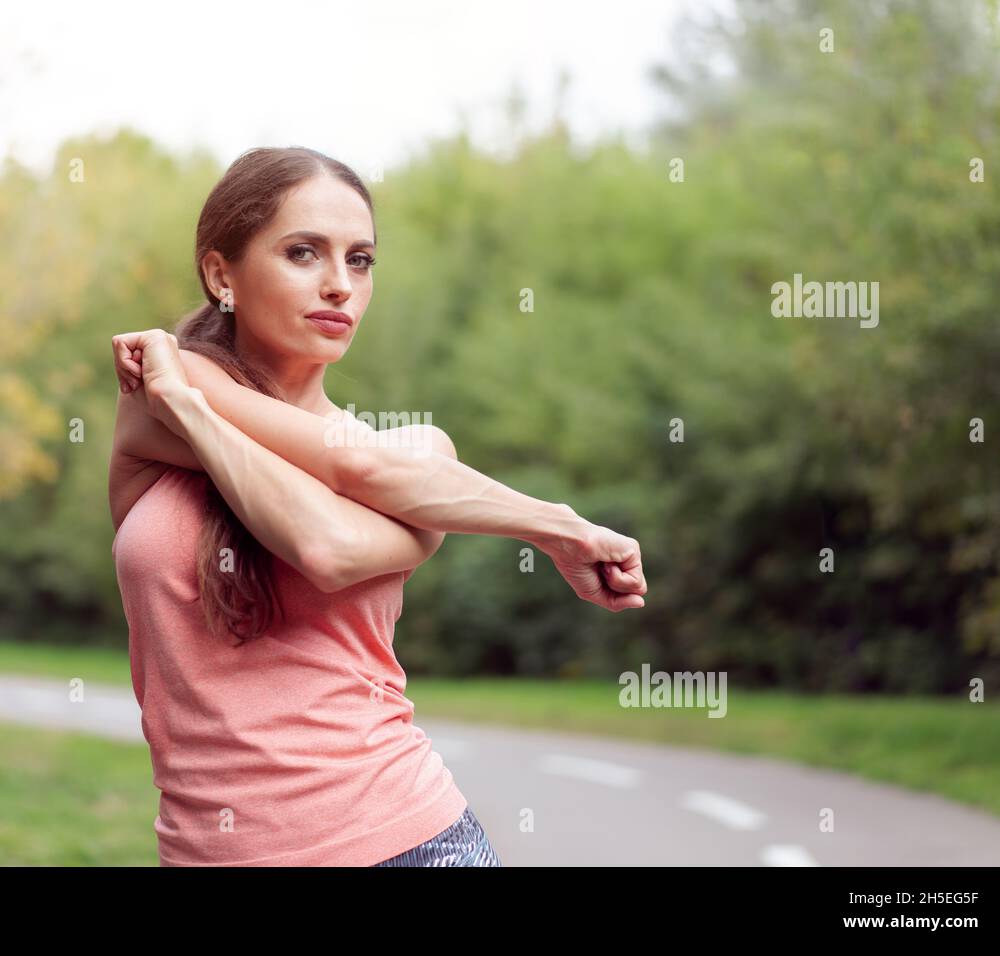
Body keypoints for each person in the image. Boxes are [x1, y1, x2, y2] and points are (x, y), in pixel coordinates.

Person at [109, 146, 646, 867]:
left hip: (408, 842)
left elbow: (325, 541)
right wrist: (560, 527)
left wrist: (561, 529)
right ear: (220, 275)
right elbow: (342, 488)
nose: (339, 285)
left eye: (359, 260)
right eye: (303, 253)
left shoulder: (416, 458)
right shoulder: (159, 399)